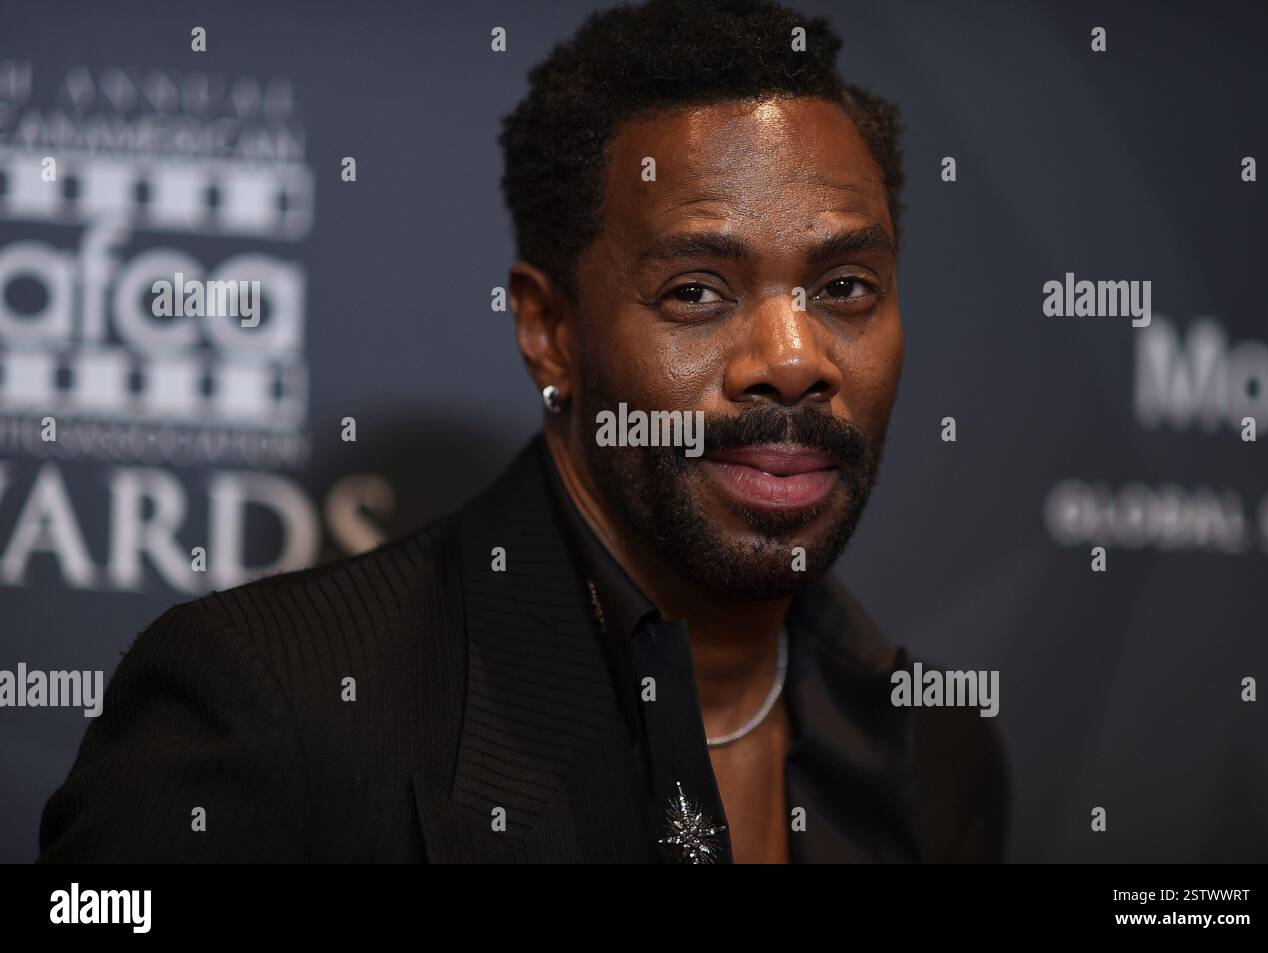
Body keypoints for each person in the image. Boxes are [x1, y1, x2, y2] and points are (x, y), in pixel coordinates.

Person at [38, 0, 1007, 864]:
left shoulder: (935, 742)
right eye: (696, 290)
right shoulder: (267, 704)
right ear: (550, 332)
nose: (794, 358)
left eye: (844, 288)